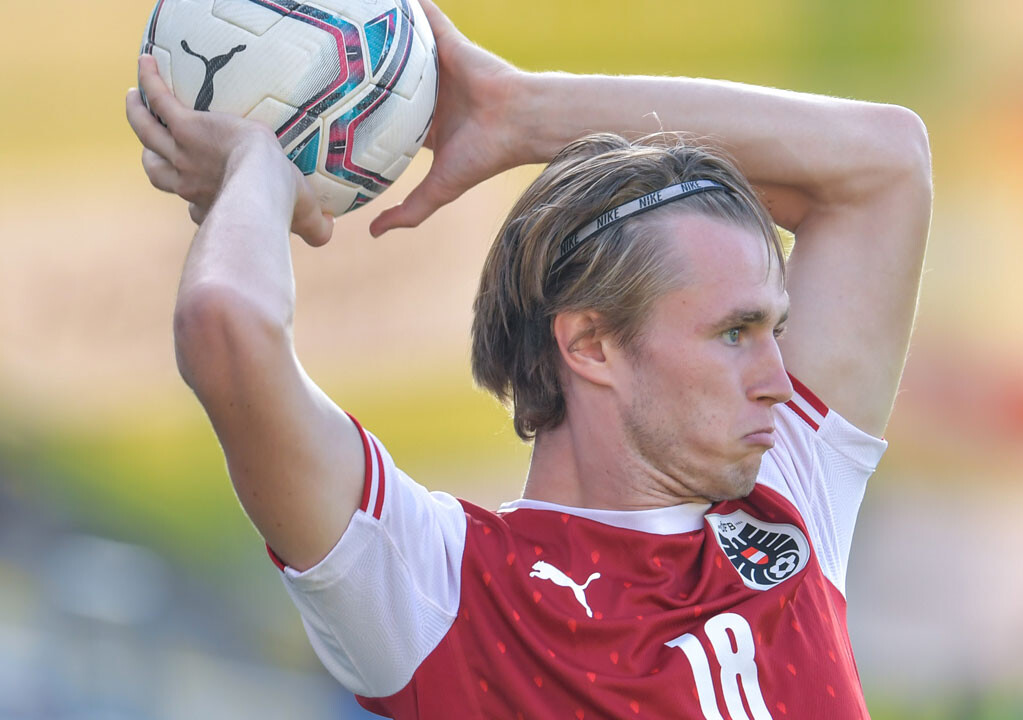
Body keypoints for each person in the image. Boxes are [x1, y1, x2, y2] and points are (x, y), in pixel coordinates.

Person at [125, 1, 931, 717]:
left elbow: (886, 163)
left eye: (774, 329)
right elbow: (224, 326)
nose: (780, 380)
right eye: (735, 333)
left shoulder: (786, 501)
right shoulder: (441, 588)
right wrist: (259, 166)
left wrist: (519, 112)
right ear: (589, 344)